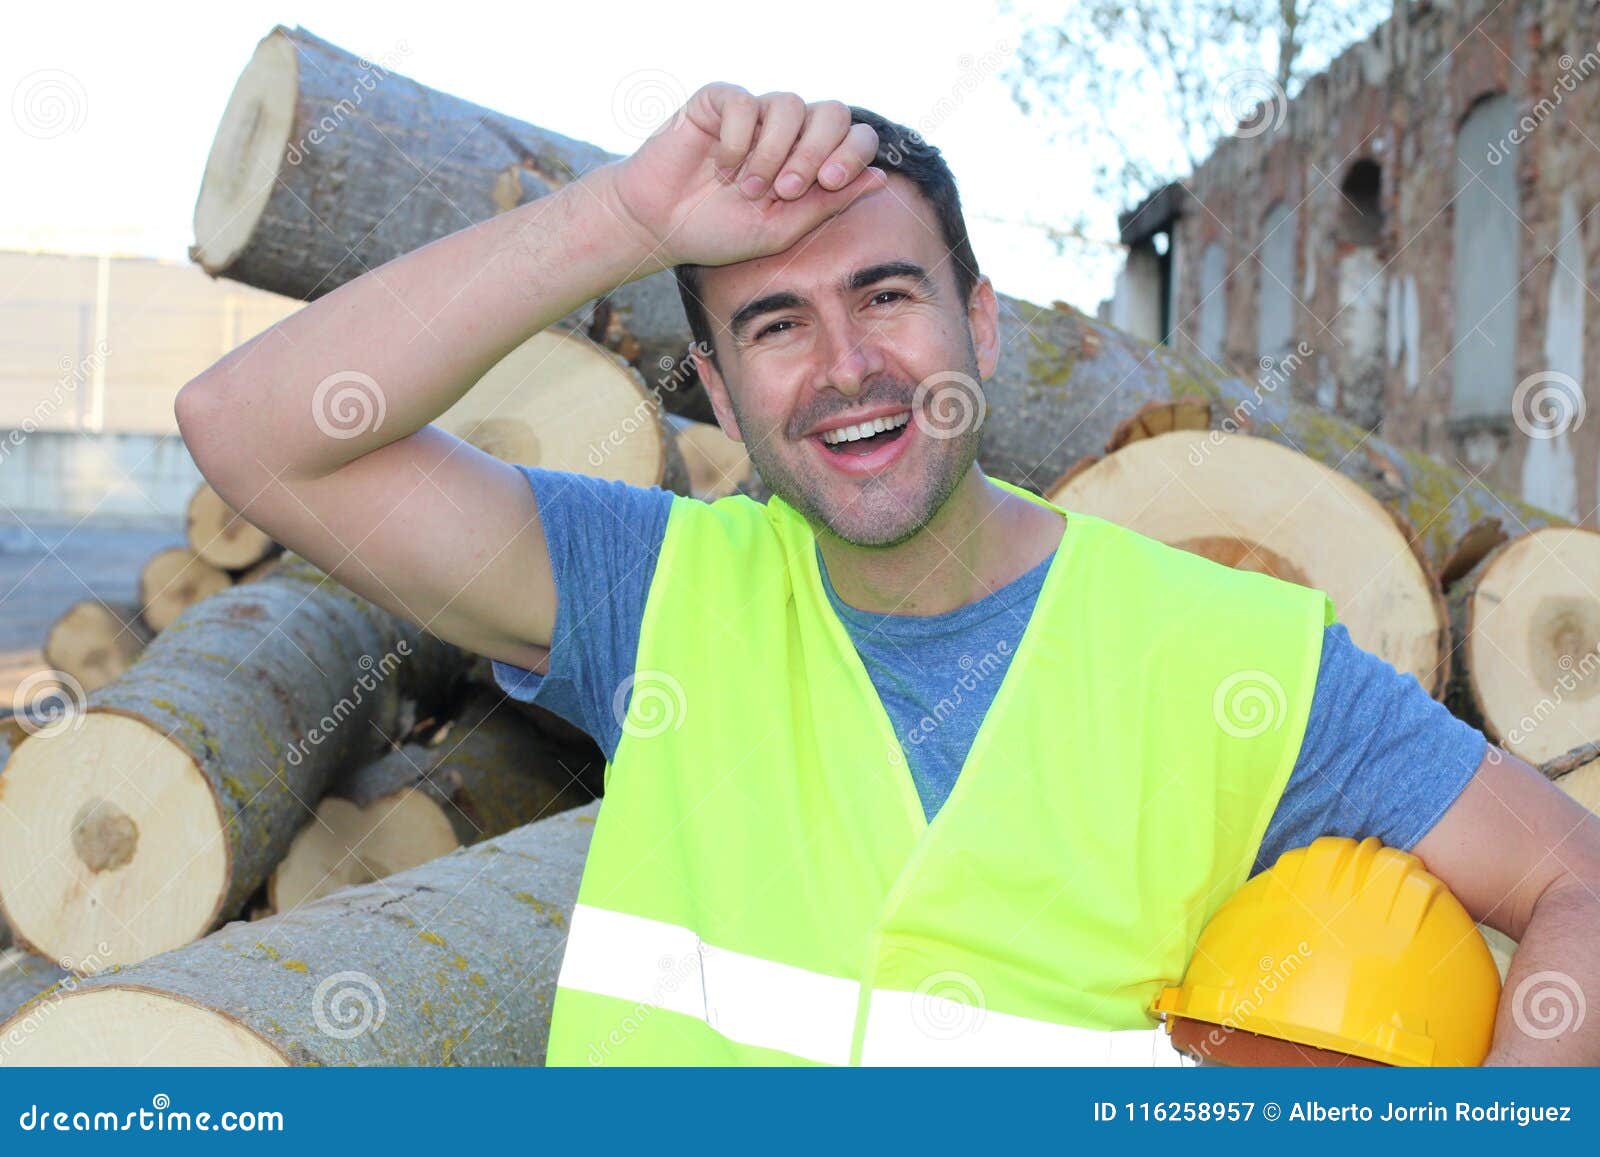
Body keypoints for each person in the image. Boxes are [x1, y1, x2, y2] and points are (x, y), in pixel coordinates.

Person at [176, 83, 1600, 1067]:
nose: (848, 366)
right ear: (720, 399)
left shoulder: (1231, 655)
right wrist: (621, 220)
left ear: (978, 326)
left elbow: (1572, 882)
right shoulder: (648, 594)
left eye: (887, 295)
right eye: (775, 324)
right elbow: (255, 431)